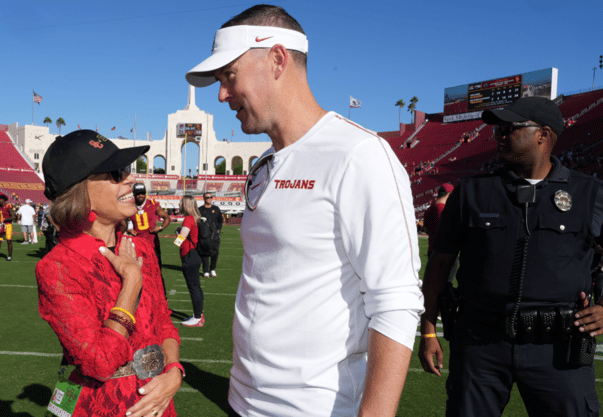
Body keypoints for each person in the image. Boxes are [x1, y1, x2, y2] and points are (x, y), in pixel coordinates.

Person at [186, 5, 423, 416]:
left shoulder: (358, 154)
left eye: (229, 76)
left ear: (277, 59)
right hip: (245, 401)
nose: (222, 94)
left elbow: (396, 300)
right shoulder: (264, 164)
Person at [419, 97, 603, 416]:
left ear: (543, 135)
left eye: (510, 127)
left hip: (560, 346)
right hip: (480, 344)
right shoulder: (471, 192)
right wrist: (428, 329)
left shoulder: (588, 193)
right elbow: (439, 264)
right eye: (498, 129)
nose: (500, 134)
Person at [35, 129, 182, 416]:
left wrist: (174, 372)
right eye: (115, 173)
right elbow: (98, 363)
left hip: (157, 400)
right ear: (80, 192)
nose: (131, 179)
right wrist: (131, 282)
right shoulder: (58, 266)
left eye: (126, 169)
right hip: (101, 406)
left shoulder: (140, 246)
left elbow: (163, 322)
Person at [126, 182, 171, 281]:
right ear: (134, 194)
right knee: (140, 274)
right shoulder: (129, 206)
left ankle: (162, 295)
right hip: (137, 245)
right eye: (138, 193)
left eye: (142, 193)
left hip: (152, 244)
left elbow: (167, 218)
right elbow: (121, 221)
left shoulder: (153, 204)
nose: (140, 195)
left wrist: (161, 228)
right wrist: (128, 228)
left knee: (157, 272)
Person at [175, 195, 204, 327]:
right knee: (196, 287)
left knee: (193, 287)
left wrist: (177, 235)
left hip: (189, 255)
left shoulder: (188, 219)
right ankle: (198, 314)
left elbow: (180, 240)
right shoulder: (194, 218)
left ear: (185, 205)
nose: (179, 205)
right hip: (194, 254)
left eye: (181, 203)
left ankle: (197, 316)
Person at [197, 192, 222, 278]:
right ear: (203, 198)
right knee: (205, 253)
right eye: (207, 197)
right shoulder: (200, 209)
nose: (209, 199)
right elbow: (197, 221)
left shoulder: (216, 209)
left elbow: (220, 221)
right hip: (204, 235)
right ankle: (206, 271)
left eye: (211, 197)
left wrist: (218, 230)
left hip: (215, 235)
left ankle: (213, 269)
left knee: (215, 252)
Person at [0, 195, 15, 261]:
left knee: (9, 241)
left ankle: (10, 256)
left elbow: (13, 217)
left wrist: (4, 219)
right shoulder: (0, 207)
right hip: (1, 225)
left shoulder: (8, 206)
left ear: (3, 200)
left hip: (8, 225)